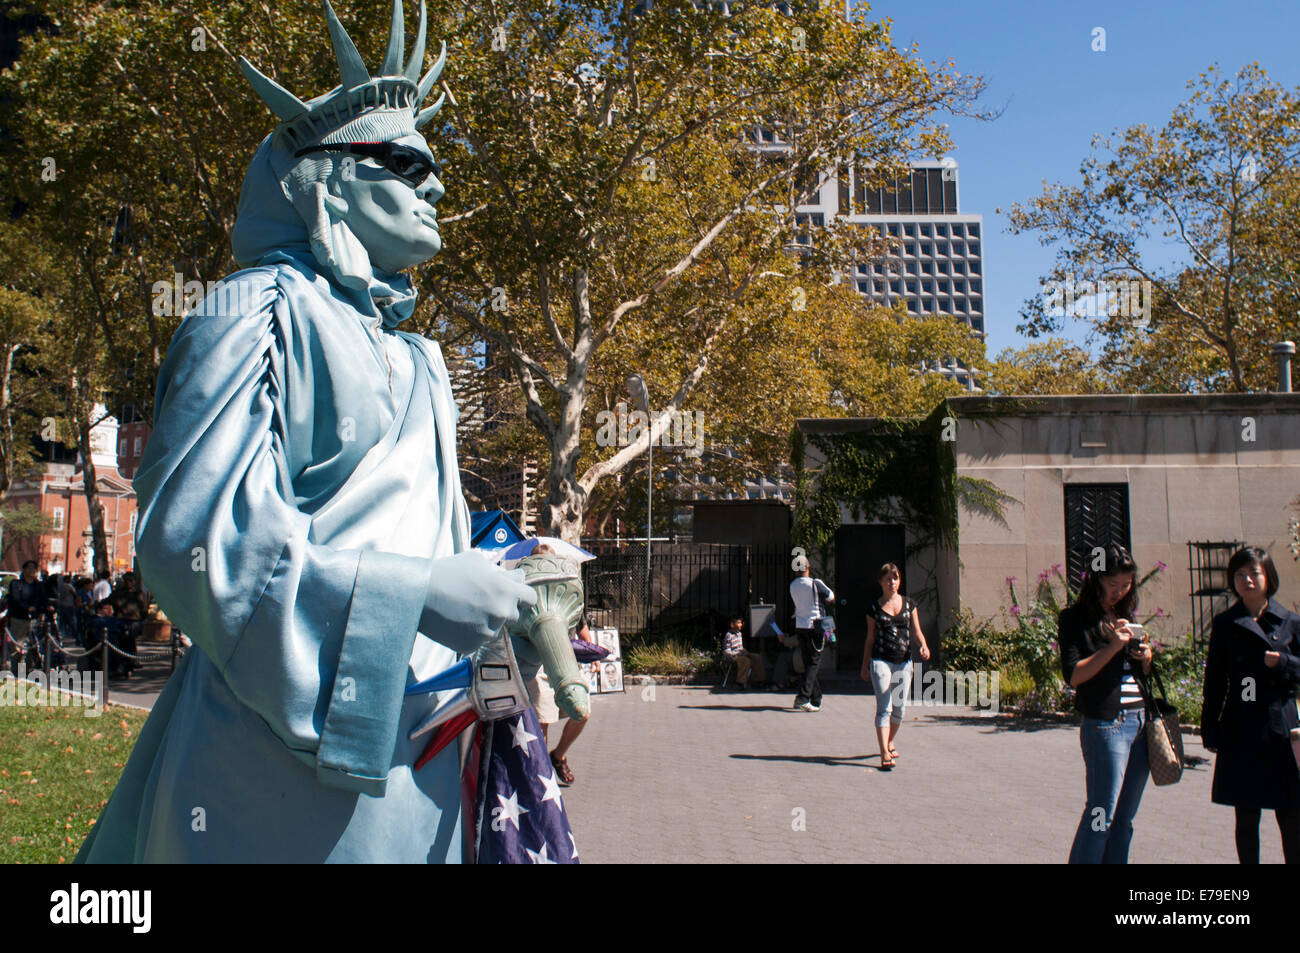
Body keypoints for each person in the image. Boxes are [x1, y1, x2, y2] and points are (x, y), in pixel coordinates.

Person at [77, 3, 538, 864]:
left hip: (428, 764)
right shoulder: (250, 314)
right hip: (270, 774)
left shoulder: (427, 363)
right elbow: (195, 542)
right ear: (326, 180)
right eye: (407, 164)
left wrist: (514, 601)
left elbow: (429, 539)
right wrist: (418, 594)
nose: (435, 185)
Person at [1201, 546, 1300, 863]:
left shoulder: (1290, 622)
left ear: (1268, 577)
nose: (1247, 580)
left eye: (1253, 573)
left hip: (1280, 727)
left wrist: (1283, 662)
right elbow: (1215, 680)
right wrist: (1210, 727)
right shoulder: (1226, 623)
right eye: (1239, 575)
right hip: (1241, 726)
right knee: (1246, 816)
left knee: (1291, 814)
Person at [1058, 544, 1153, 864]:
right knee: (1101, 815)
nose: (1121, 591)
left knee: (1124, 821)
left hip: (1141, 723)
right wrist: (1113, 647)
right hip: (1107, 725)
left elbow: (1139, 674)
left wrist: (1146, 657)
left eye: (1126, 584)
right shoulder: (1074, 619)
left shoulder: (1125, 616)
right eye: (1114, 585)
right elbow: (1074, 676)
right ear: (1096, 580)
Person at [861, 563, 930, 769]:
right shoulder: (874, 608)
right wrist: (865, 665)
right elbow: (870, 638)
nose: (892, 582)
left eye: (895, 578)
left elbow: (916, 631)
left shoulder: (909, 605)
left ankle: (890, 740)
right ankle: (884, 754)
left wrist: (924, 645)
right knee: (885, 707)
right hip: (881, 660)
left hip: (904, 662)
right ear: (881, 582)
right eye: (888, 579)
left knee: (899, 709)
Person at [789, 559, 833, 712]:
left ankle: (816, 698)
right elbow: (830, 596)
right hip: (815, 627)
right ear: (808, 568)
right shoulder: (815, 583)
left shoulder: (793, 585)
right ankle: (802, 698)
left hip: (800, 626)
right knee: (813, 663)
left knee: (808, 663)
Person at [6, 561, 48, 652]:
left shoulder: (39, 585)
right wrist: (27, 608)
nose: (32, 570)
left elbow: (44, 600)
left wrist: (44, 609)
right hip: (19, 620)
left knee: (33, 649)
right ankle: (20, 667)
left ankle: (30, 665)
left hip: (35, 620)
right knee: (20, 650)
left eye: (34, 568)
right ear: (24, 570)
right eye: (29, 568)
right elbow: (16, 599)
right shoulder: (16, 584)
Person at [722, 614, 766, 690]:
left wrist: (745, 651)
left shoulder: (739, 634)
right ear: (732, 625)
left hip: (741, 653)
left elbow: (740, 647)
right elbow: (727, 650)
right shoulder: (728, 635)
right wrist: (736, 654)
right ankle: (740, 683)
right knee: (745, 660)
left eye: (741, 623)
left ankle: (758, 681)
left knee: (757, 657)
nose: (741, 624)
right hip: (733, 656)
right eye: (738, 623)